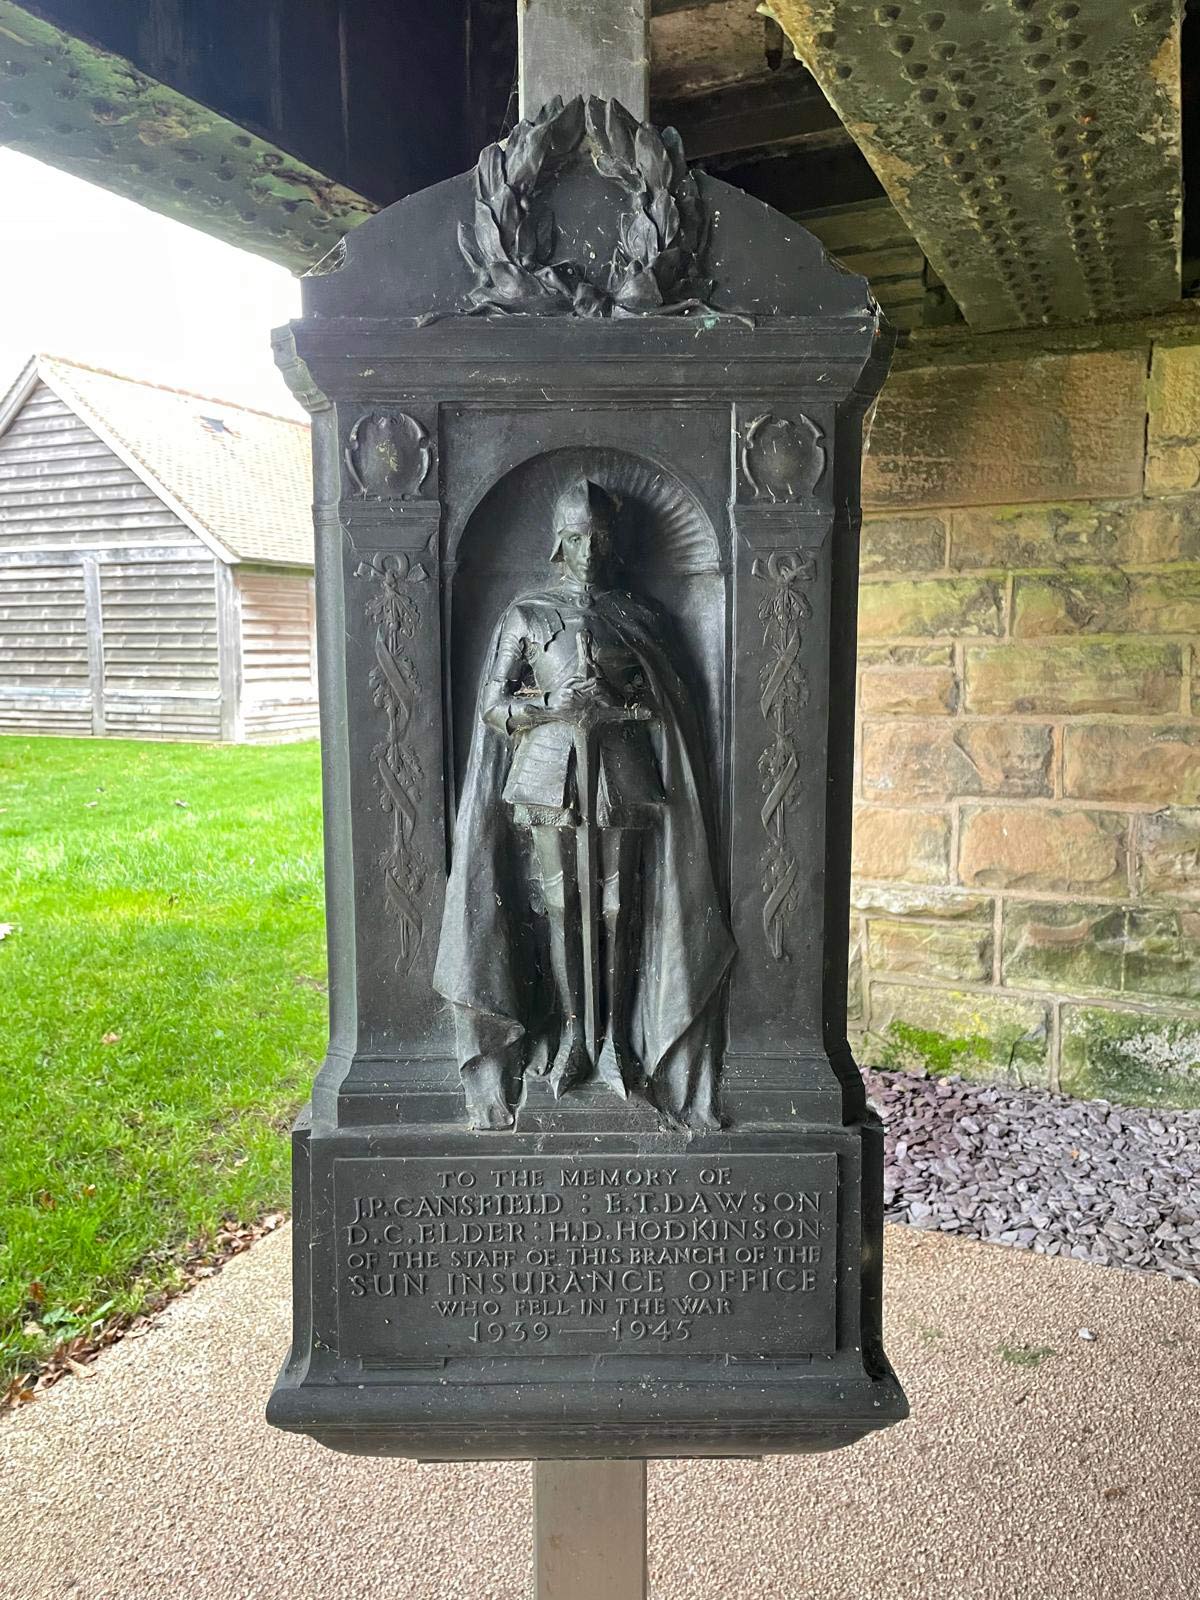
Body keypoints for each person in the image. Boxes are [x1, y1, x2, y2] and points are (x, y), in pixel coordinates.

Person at [433, 478, 734, 1130]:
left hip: (622, 777)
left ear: (613, 541)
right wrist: (551, 706)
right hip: (547, 780)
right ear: (557, 541)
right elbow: (493, 706)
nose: (589, 549)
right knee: (563, 910)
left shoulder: (643, 616)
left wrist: (621, 707)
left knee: (620, 907)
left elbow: (667, 705)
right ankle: (572, 1036)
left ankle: (619, 1041)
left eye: (599, 537)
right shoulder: (527, 615)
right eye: (576, 537)